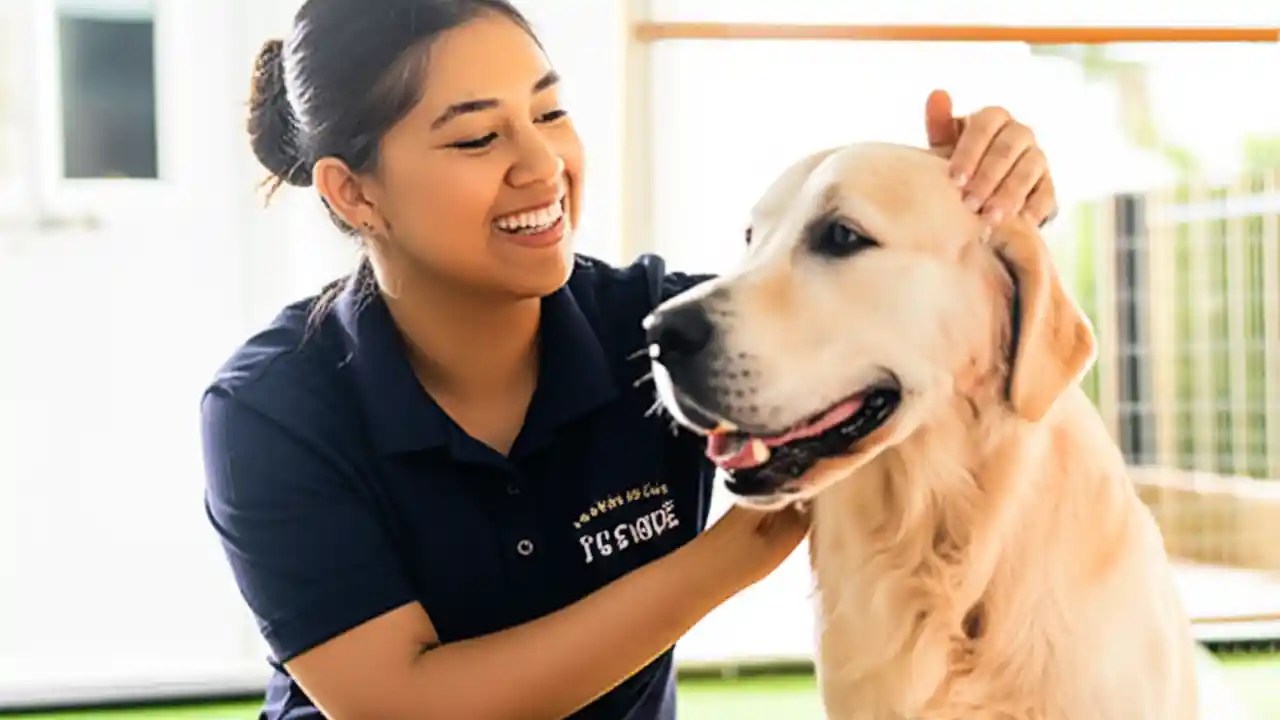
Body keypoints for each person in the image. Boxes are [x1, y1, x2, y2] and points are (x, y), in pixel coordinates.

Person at [200, 1, 1060, 718]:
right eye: (475, 140)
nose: (543, 166)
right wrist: (739, 547)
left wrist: (983, 216)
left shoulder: (664, 330)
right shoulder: (270, 409)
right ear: (355, 191)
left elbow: (884, 318)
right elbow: (401, 703)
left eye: (548, 113)